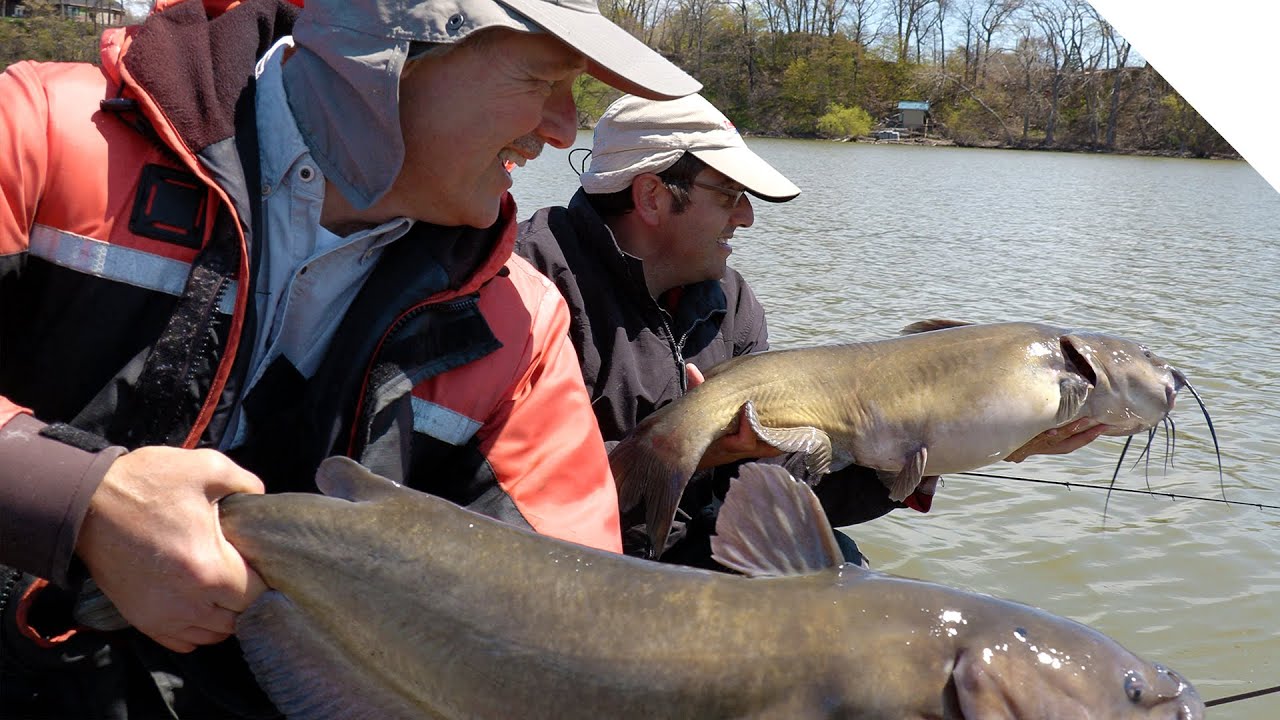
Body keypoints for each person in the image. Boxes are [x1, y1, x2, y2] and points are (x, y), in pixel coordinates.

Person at [0, 0, 700, 716]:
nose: (563, 129)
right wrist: (84, 500)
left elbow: (571, 626)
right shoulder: (45, 132)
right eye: (542, 80)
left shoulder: (523, 328)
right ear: (385, 51)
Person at [516, 93, 1107, 566]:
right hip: (564, 567)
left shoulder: (730, 301)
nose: (747, 217)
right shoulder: (524, 283)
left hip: (697, 553)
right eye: (729, 195)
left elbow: (780, 498)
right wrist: (696, 451)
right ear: (651, 195)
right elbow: (498, 486)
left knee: (853, 582)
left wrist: (943, 449)